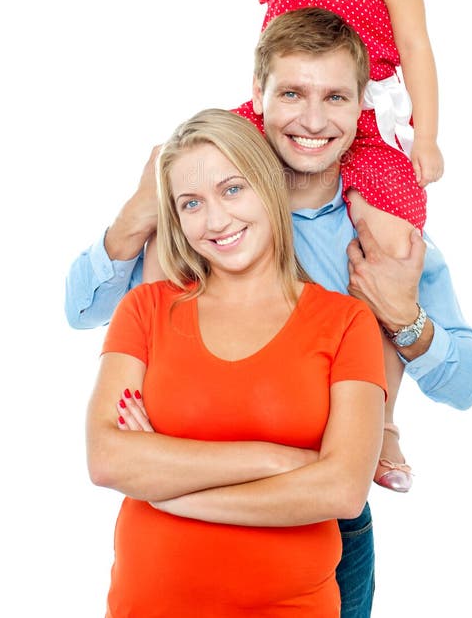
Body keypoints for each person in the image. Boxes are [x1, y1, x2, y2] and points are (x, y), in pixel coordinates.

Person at [67, 9, 472, 618]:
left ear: (361, 106)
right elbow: (84, 311)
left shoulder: (383, 240)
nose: (313, 121)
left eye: (335, 97)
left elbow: (466, 386)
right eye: (292, 93)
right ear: (257, 96)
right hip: (171, 533)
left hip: (314, 527)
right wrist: (140, 212)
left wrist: (402, 317)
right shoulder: (208, 211)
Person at [190, 0, 445, 487]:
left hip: (363, 124)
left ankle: (381, 418)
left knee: (392, 245)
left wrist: (424, 134)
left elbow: (418, 43)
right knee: (198, 168)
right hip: (278, 121)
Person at [86, 108, 387, 616]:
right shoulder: (146, 309)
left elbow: (341, 489)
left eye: (232, 189)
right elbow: (107, 458)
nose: (217, 220)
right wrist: (275, 461)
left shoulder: (346, 322)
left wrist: (171, 490)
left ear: (269, 185)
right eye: (191, 203)